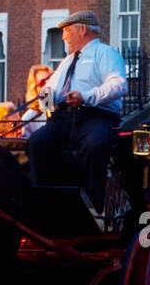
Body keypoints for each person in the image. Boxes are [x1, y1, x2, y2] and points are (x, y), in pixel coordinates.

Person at [27, 12, 127, 211]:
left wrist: (86, 96)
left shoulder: (105, 53)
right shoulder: (67, 62)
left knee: (94, 145)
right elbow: (52, 90)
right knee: (36, 143)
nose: (64, 37)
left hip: (96, 116)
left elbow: (119, 85)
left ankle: (92, 205)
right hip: (64, 118)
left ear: (82, 30)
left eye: (66, 30)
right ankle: (49, 204)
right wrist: (44, 100)